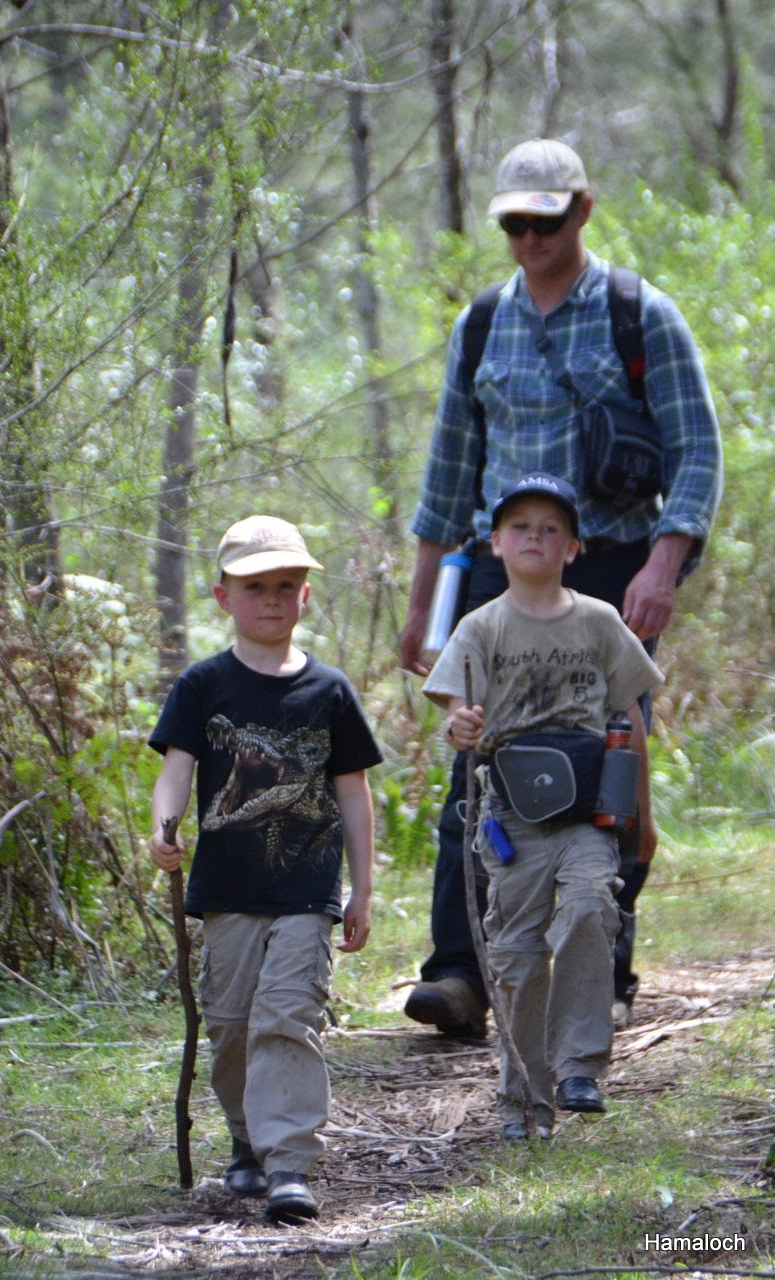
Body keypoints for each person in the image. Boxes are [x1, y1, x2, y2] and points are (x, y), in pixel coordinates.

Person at [401, 137, 722, 1038]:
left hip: (614, 564)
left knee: (608, 762)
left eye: (545, 220)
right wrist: (425, 602)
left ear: (581, 210)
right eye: (514, 223)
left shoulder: (638, 315)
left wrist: (663, 565)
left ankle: (598, 971)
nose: (529, 238)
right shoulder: (482, 324)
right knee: (479, 758)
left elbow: (697, 449)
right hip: (500, 570)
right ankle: (461, 972)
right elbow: (448, 471)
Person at [148, 515, 382, 1223]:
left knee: (287, 1014)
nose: (272, 600)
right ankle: (247, 1142)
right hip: (226, 891)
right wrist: (161, 828)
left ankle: (288, 1164)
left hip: (307, 890)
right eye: (255, 587)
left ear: (306, 596)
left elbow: (352, 792)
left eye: (287, 585)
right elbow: (177, 769)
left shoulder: (329, 692)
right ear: (224, 597)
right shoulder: (203, 685)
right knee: (232, 1025)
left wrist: (362, 889)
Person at [423, 473, 664, 1135]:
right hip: (511, 818)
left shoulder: (599, 621)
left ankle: (579, 1065)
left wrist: (643, 811)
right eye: (521, 526)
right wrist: (459, 729)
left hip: (588, 812)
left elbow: (629, 715)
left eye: (551, 527)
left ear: (575, 547)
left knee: (591, 908)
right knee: (517, 953)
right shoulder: (480, 626)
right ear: (496, 543)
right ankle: (523, 1097)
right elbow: (455, 715)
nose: (535, 537)